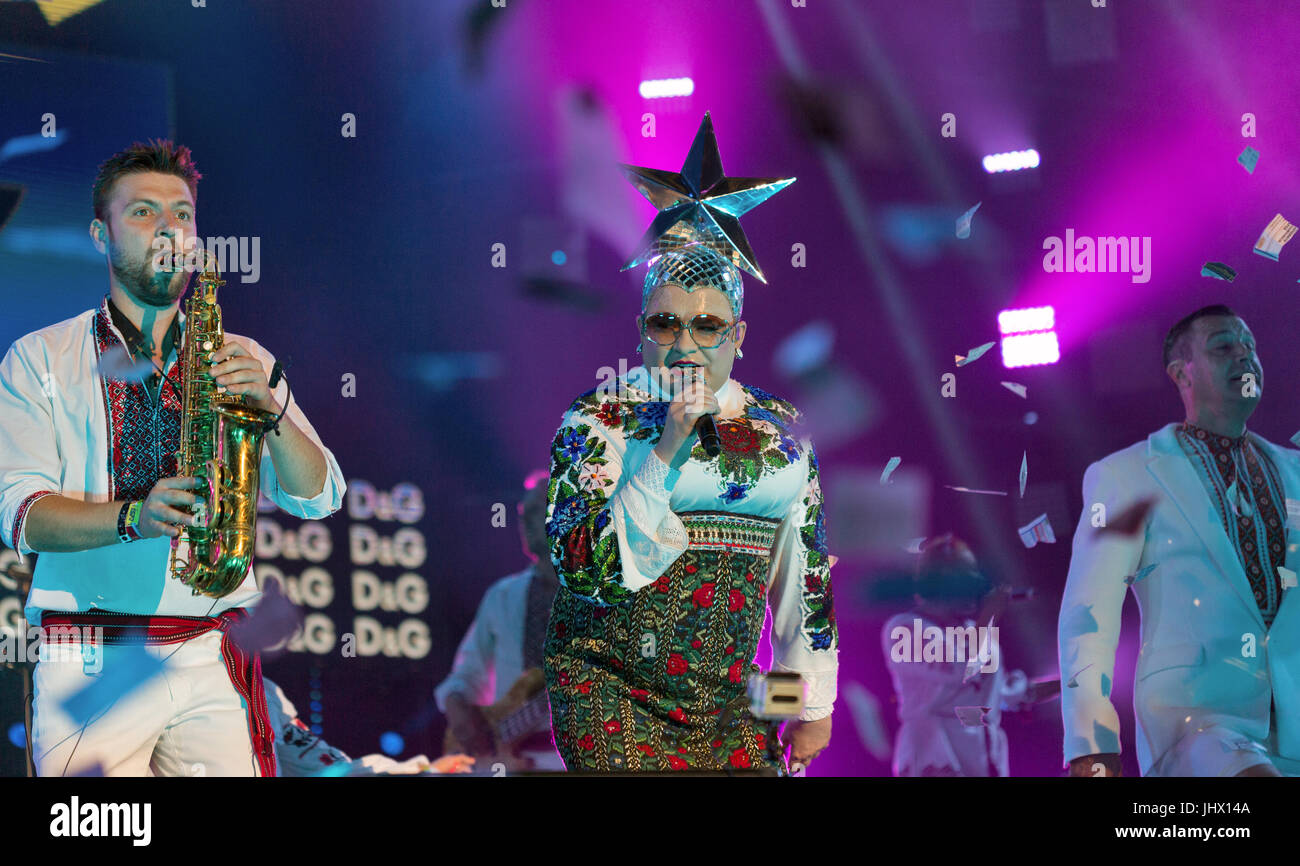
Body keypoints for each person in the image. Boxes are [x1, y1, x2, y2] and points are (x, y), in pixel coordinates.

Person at [0, 139, 346, 776]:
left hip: (211, 648)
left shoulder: (242, 355)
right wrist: (132, 518)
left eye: (182, 214)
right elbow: (23, 516)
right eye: (143, 213)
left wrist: (269, 410)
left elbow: (320, 495)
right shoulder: (38, 358)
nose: (169, 229)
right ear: (99, 236)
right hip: (94, 658)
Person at [543, 114, 837, 773]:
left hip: (728, 700)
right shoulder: (596, 419)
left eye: (707, 325)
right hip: (607, 686)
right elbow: (590, 572)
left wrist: (809, 706)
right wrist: (669, 445)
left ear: (738, 336)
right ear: (642, 332)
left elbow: (803, 569)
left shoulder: (779, 429)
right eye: (665, 323)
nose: (684, 343)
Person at [1059, 304, 1300, 777]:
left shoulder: (1296, 471)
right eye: (1224, 347)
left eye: (1249, 347)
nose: (1244, 358)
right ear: (1180, 373)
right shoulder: (1125, 475)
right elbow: (1089, 615)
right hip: (1196, 722)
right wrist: (1091, 745)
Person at [882, 534, 1054, 776]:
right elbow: (961, 669)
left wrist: (1071, 682)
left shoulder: (977, 633)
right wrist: (990, 617)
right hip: (936, 759)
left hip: (984, 760)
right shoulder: (906, 629)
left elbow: (1006, 695)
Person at [433, 471, 565, 771]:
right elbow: (469, 672)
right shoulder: (504, 595)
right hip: (506, 758)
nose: (526, 521)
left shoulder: (603, 591)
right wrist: (457, 704)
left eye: (538, 510)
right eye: (524, 514)